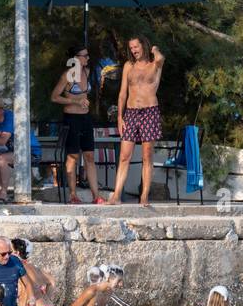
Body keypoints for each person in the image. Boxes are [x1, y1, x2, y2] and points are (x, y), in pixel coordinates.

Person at [109, 35, 165, 206]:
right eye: (131, 48)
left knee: (147, 156)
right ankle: (116, 195)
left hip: (150, 111)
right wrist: (120, 116)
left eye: (136, 47)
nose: (134, 50)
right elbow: (122, 93)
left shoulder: (155, 64)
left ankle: (144, 196)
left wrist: (154, 50)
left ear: (144, 46)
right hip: (131, 113)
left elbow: (161, 58)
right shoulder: (128, 66)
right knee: (124, 156)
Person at [50, 46, 105, 203]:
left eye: (88, 55)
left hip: (85, 118)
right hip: (71, 118)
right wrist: (75, 100)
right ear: (75, 58)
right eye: (85, 56)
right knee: (72, 156)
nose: (88, 58)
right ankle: (73, 194)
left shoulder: (87, 73)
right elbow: (54, 97)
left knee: (89, 155)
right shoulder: (67, 76)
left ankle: (96, 195)